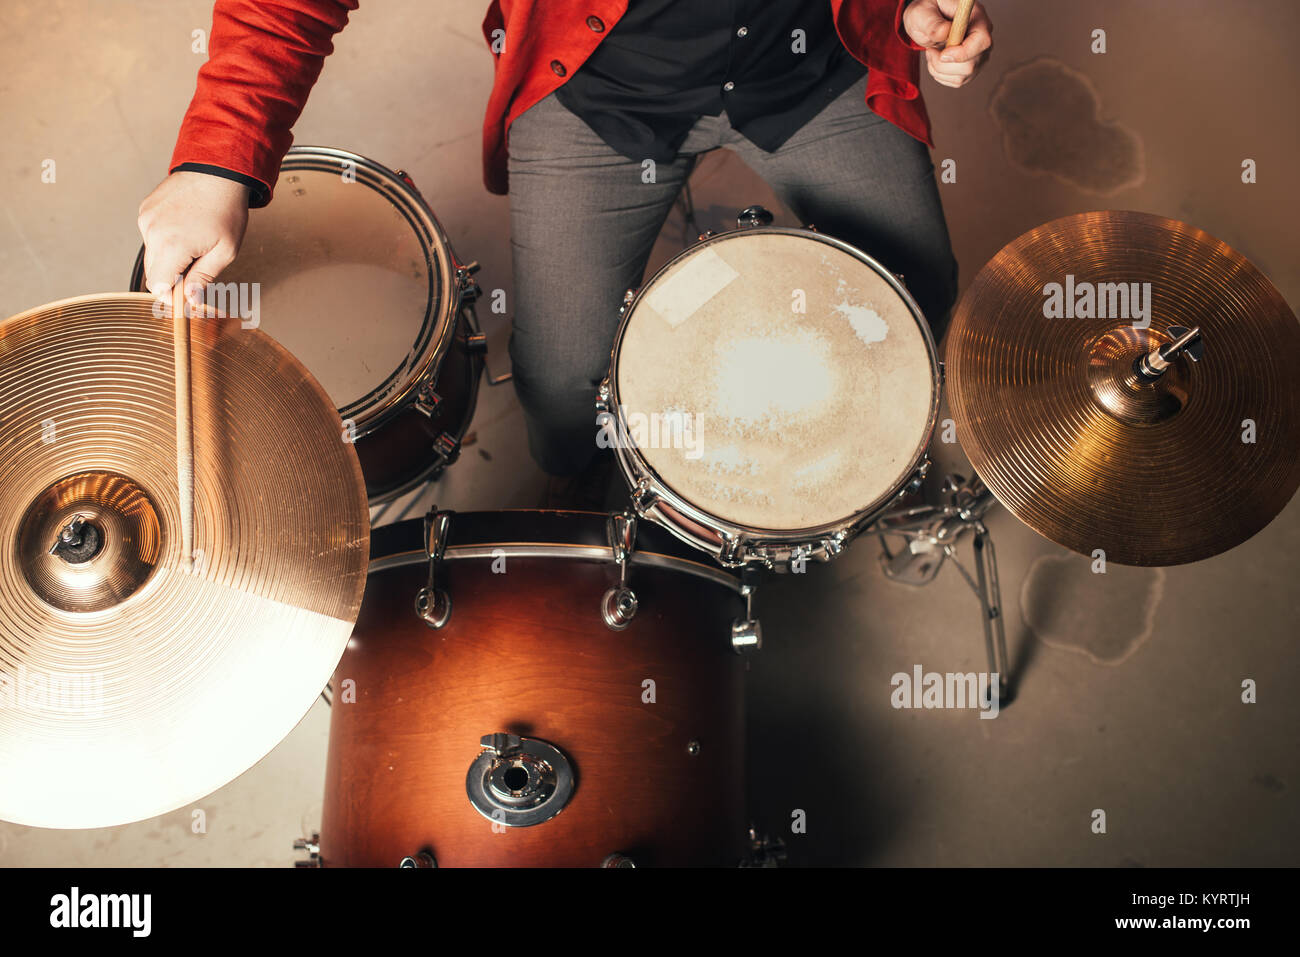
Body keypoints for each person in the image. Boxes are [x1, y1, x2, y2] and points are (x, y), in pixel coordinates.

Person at [138, 0, 992, 505]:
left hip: (819, 70)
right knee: (562, 377)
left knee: (913, 302)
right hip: (595, 97)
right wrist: (218, 154)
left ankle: (864, 466)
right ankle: (581, 498)